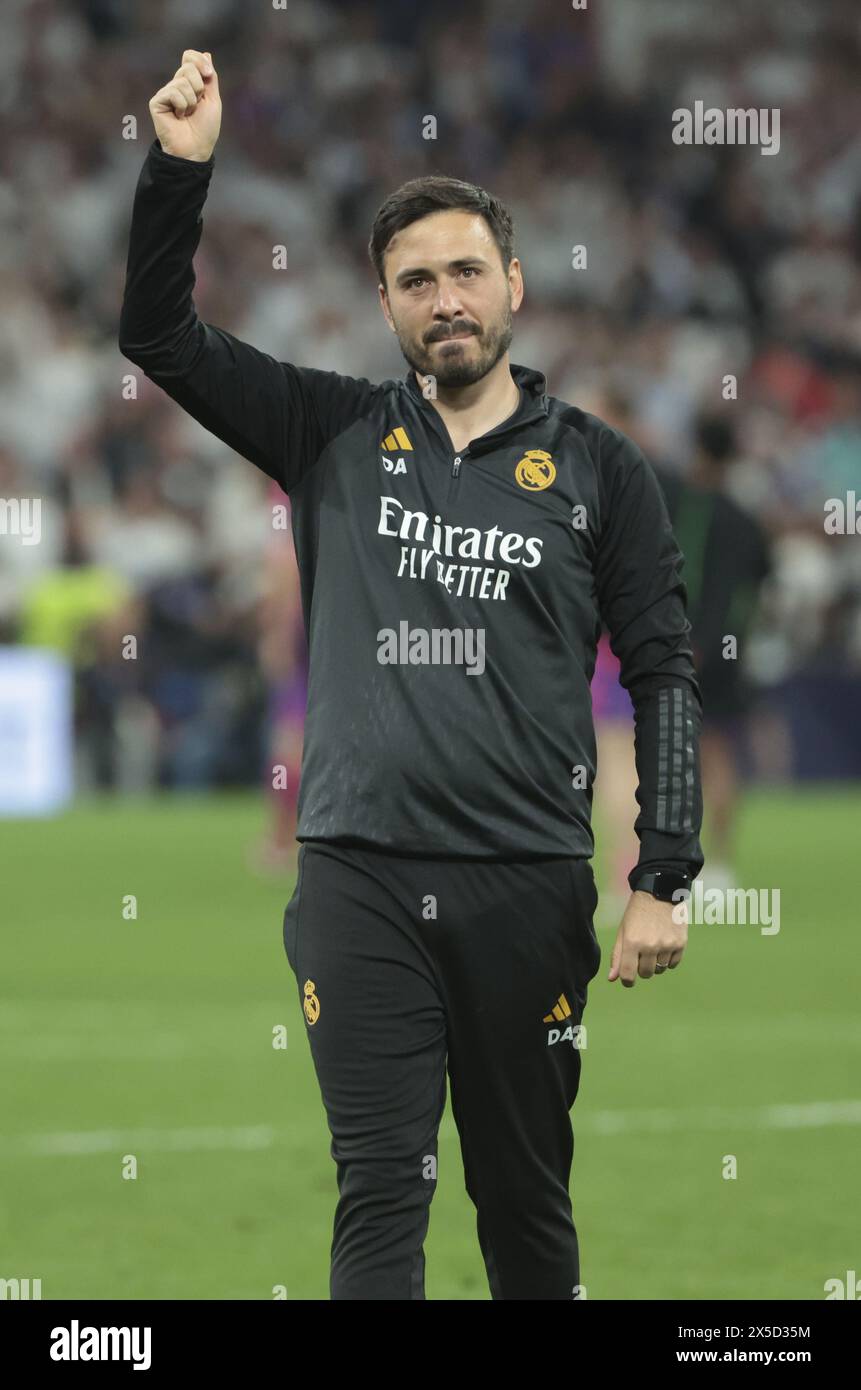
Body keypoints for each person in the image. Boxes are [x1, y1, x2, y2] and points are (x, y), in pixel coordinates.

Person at [119, 50, 704, 1300]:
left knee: (523, 1203)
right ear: (386, 307)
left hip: (528, 885)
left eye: (467, 273)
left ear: (516, 288)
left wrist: (662, 872)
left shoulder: (603, 470)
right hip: (358, 875)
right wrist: (180, 168)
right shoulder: (325, 430)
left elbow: (663, 669)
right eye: (417, 280)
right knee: (382, 1186)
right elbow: (157, 334)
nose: (447, 298)